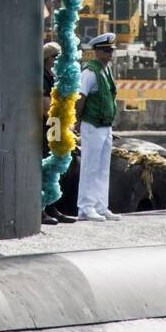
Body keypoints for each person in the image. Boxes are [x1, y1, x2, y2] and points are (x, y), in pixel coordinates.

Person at [75, 33, 120, 222]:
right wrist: (75, 121)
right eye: (106, 50)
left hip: (105, 125)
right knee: (90, 167)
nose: (110, 53)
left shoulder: (106, 70)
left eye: (111, 50)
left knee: (103, 168)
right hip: (92, 124)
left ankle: (101, 206)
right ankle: (86, 207)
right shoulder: (90, 72)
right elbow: (80, 98)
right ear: (97, 51)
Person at [41, 42, 78, 225]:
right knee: (46, 165)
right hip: (48, 126)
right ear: (49, 58)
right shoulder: (42, 77)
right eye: (56, 57)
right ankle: (41, 208)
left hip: (56, 125)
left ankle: (52, 204)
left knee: (57, 165)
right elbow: (45, 106)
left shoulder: (54, 76)